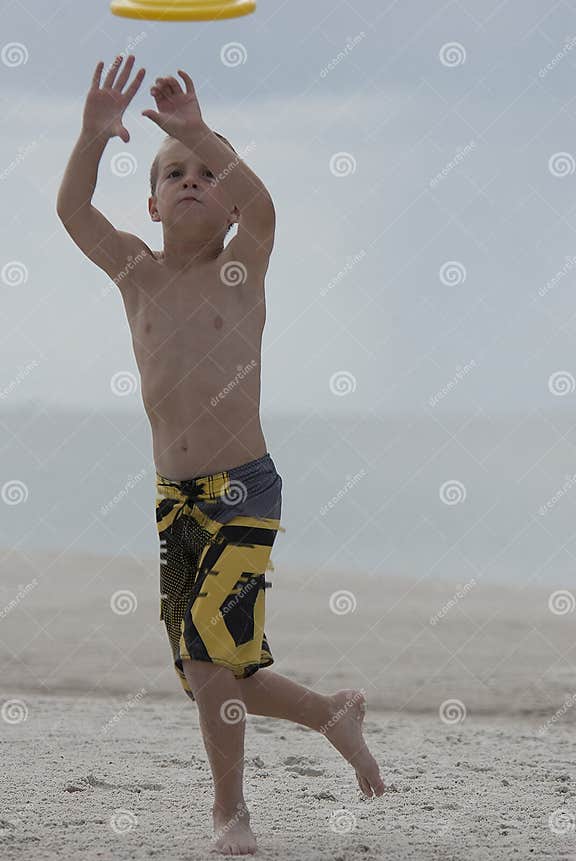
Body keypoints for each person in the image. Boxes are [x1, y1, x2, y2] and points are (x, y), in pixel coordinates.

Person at [56, 53, 385, 856]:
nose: (193, 178)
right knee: (215, 672)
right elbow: (72, 212)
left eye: (208, 172)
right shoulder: (136, 271)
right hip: (175, 497)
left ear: (230, 204)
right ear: (152, 201)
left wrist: (200, 129)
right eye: (176, 172)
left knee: (207, 654)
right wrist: (94, 136)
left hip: (243, 490)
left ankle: (230, 813)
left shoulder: (242, 268)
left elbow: (266, 205)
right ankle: (329, 713)